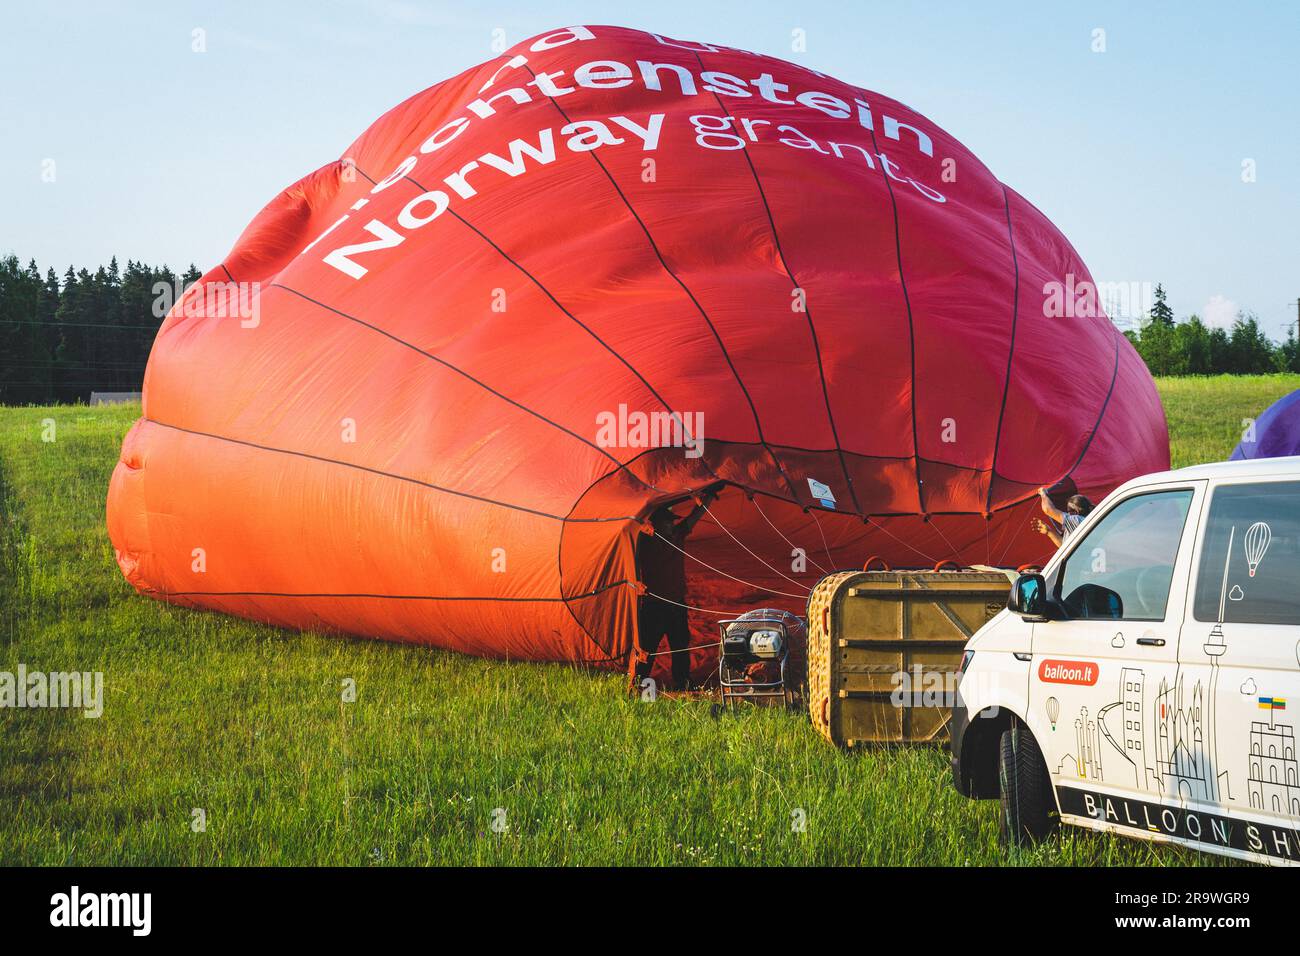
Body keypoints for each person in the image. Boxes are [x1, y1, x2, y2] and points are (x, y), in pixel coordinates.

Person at [634, 484, 721, 691]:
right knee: (648, 647)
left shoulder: (677, 535)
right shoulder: (644, 540)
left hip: (676, 603)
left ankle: (682, 682)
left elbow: (694, 516)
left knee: (680, 645)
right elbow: (631, 525)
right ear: (656, 522)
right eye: (667, 522)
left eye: (671, 522)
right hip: (654, 604)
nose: (671, 525)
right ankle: (639, 681)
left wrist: (708, 497)